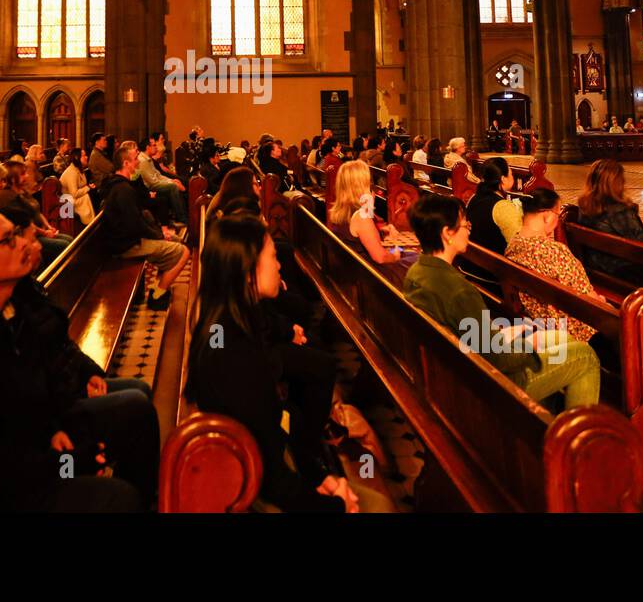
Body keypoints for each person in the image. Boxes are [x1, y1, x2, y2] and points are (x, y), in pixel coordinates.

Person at [0, 205, 154, 512]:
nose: (24, 243)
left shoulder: (11, 303)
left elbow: (35, 391)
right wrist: (66, 460)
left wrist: (57, 430)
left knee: (135, 408)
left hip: (36, 440)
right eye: (9, 240)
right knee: (118, 498)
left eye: (16, 234)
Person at [185, 212, 357, 512]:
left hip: (265, 467)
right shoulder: (233, 356)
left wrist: (317, 475)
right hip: (250, 492)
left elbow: (275, 427)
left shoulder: (230, 321)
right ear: (248, 272)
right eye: (274, 257)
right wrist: (337, 506)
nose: (279, 266)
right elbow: (272, 480)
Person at [403, 194, 600, 410]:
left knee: (561, 338)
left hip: (461, 363)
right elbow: (501, 359)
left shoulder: (418, 271)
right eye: (464, 224)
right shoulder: (458, 291)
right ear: (447, 234)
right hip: (493, 381)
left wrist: (508, 332)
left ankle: (550, 413)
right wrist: (530, 344)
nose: (469, 229)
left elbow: (472, 333)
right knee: (585, 355)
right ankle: (574, 440)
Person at [99, 142, 188, 311]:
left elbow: (139, 218)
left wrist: (160, 232)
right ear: (125, 164)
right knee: (183, 252)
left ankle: (157, 286)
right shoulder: (122, 189)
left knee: (176, 240)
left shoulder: (121, 185)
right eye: (134, 160)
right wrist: (160, 235)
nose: (138, 162)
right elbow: (135, 224)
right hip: (126, 245)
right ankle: (158, 294)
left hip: (129, 238)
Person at [504, 190, 600, 343]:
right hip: (565, 329)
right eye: (557, 213)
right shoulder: (556, 252)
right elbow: (590, 301)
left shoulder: (513, 245)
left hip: (535, 319)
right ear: (547, 216)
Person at [573, 159, 643, 288]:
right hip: (626, 275)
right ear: (618, 183)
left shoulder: (584, 207)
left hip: (597, 269)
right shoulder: (621, 211)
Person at [328, 160, 417, 286]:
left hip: (352, 268)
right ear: (361, 184)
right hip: (367, 276)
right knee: (419, 261)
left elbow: (356, 234)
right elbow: (380, 257)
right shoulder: (361, 216)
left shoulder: (340, 210)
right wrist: (395, 255)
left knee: (410, 255)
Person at [466, 159, 521, 253]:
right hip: (495, 264)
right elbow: (518, 244)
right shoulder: (502, 206)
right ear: (503, 179)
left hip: (474, 259)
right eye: (511, 174)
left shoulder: (474, 197)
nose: (513, 177)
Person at [136, 135, 187, 225]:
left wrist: (172, 180)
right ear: (148, 147)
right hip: (150, 188)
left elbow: (158, 175)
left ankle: (182, 214)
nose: (156, 147)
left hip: (155, 183)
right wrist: (171, 183)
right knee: (173, 187)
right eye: (154, 145)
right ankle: (181, 218)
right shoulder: (143, 160)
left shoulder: (148, 159)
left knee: (176, 182)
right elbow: (152, 182)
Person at [59, 147, 95, 226]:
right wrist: (88, 188)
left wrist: (89, 187)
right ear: (77, 158)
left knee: (94, 193)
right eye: (84, 156)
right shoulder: (71, 172)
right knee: (89, 196)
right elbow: (74, 194)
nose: (87, 157)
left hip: (74, 197)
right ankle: (90, 225)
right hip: (67, 201)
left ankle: (95, 222)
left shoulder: (78, 169)